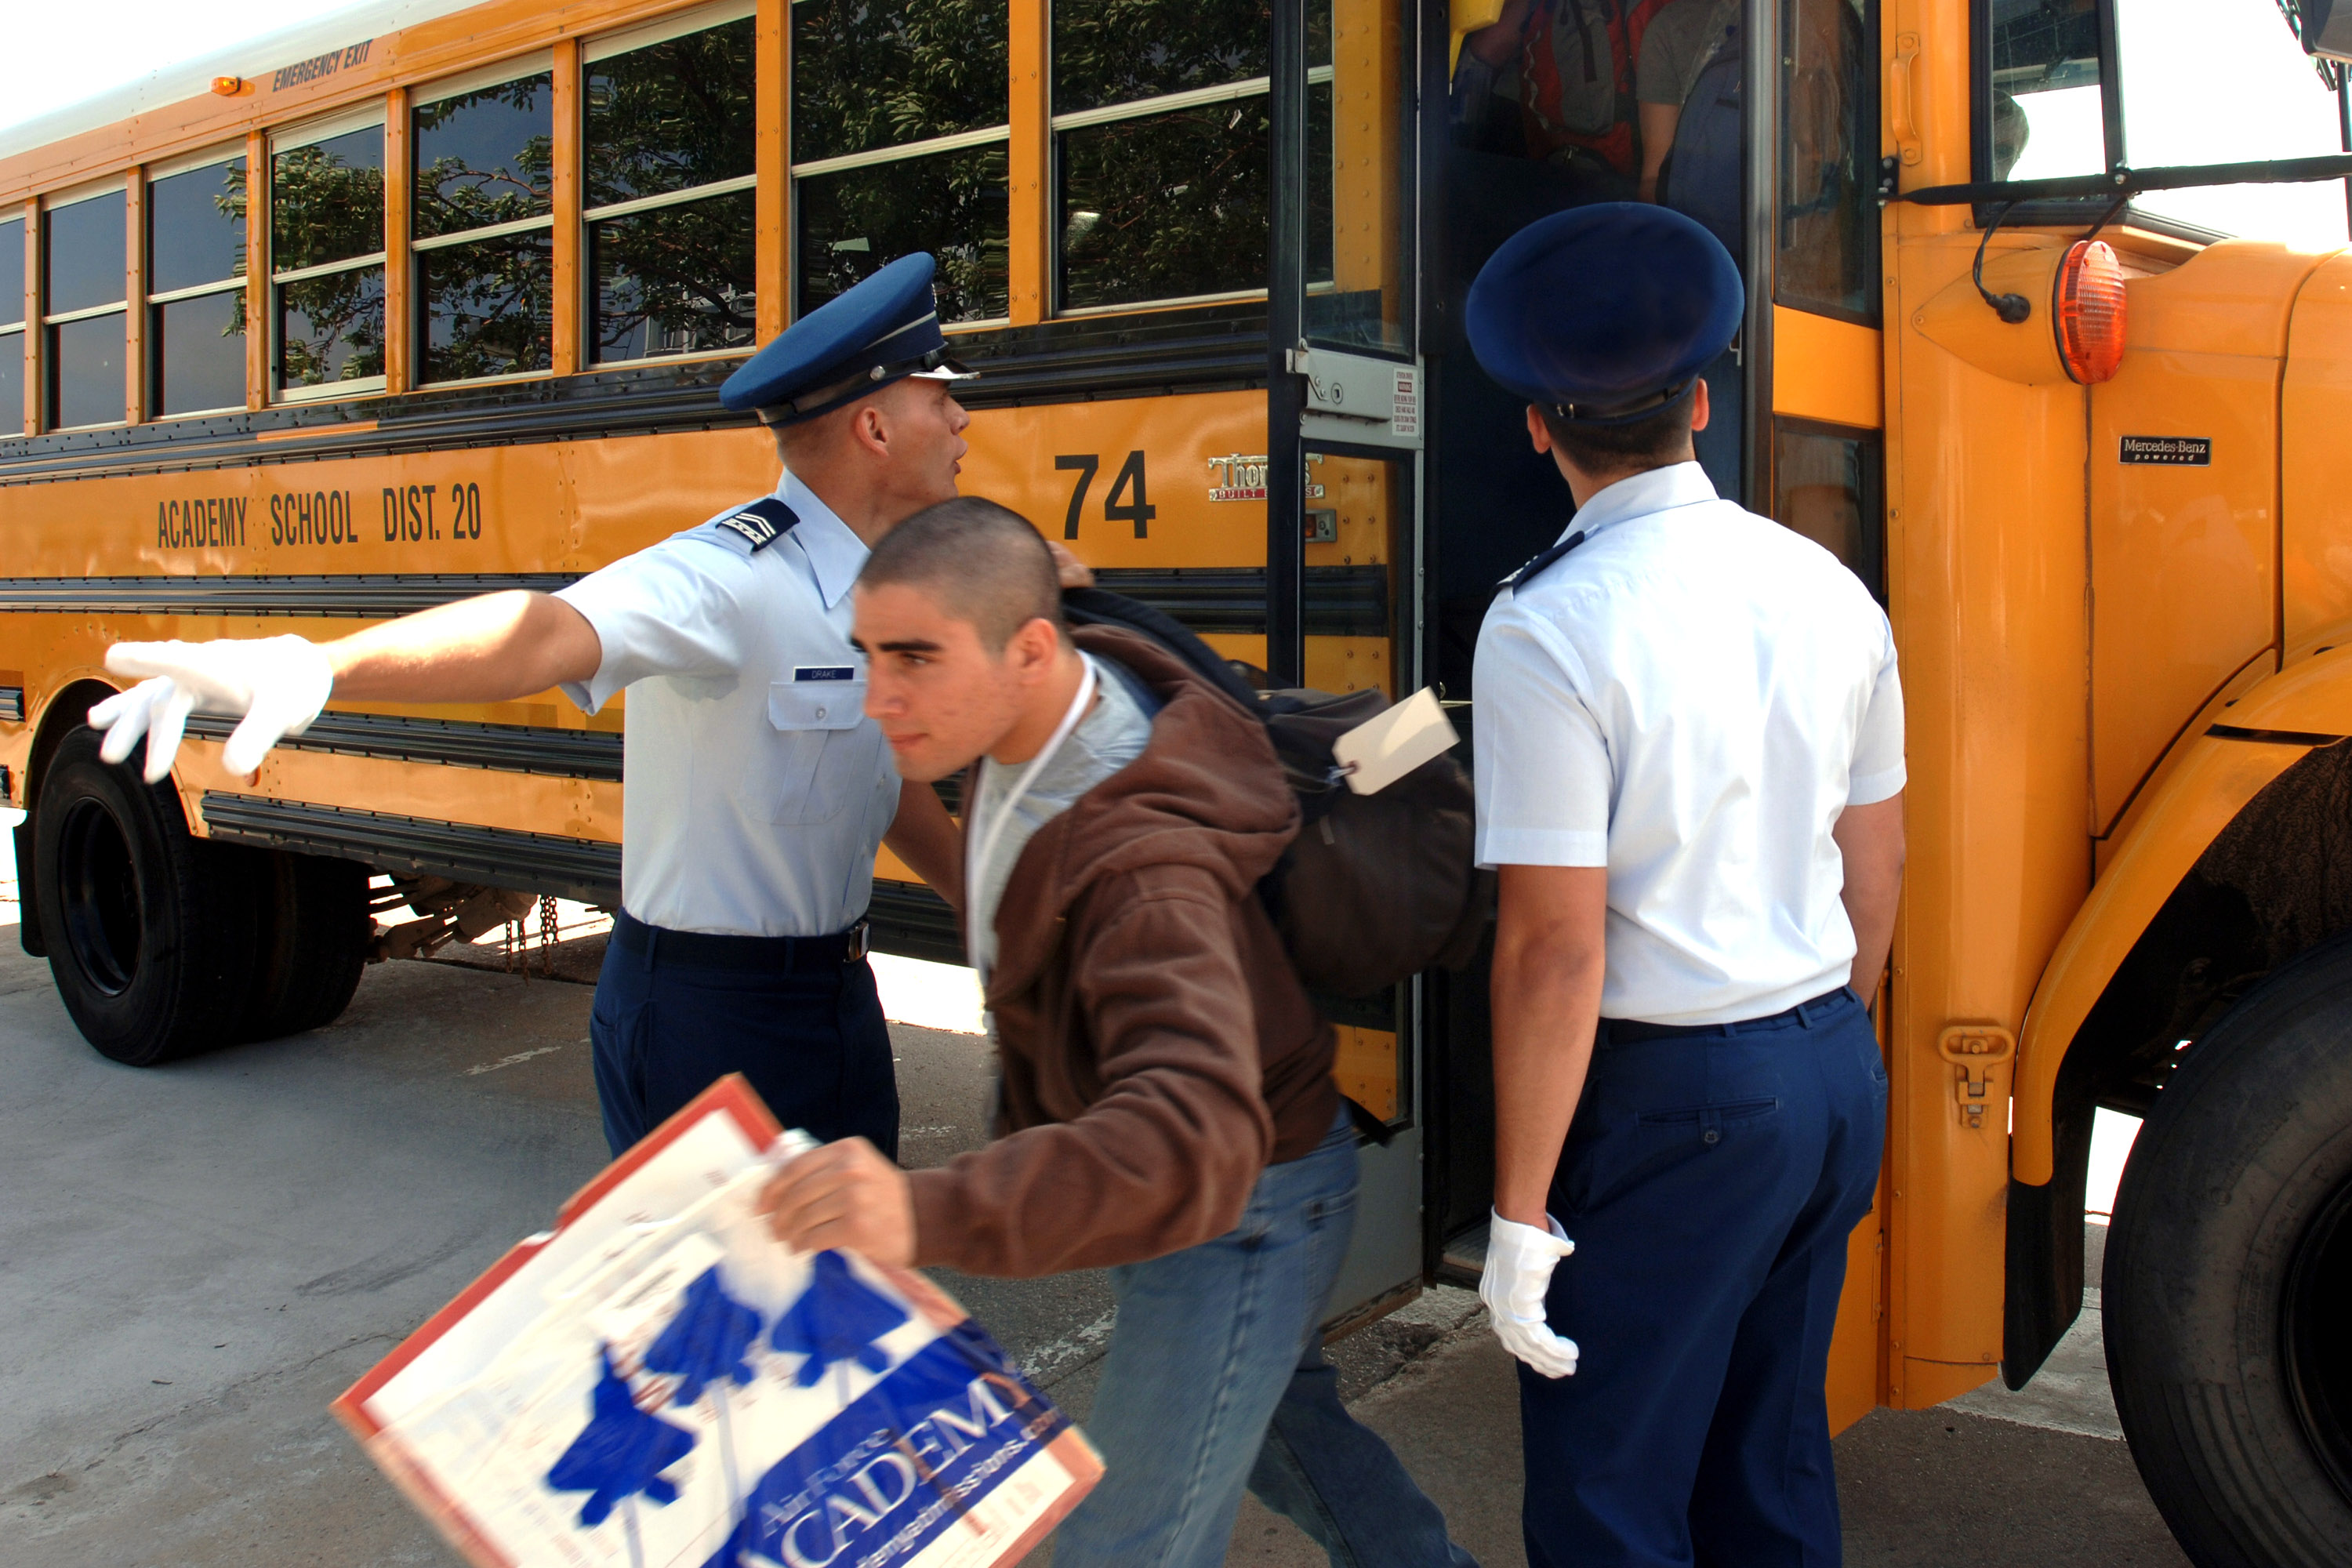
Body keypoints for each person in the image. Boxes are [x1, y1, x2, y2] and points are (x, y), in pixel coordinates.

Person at [82, 253, 1014, 1160]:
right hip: (711, 1015)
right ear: (876, 428)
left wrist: (996, 924)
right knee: (715, 1308)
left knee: (839, 1295)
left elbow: (875, 783)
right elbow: (544, 631)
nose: (962, 417)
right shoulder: (727, 576)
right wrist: (319, 666)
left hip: (837, 996)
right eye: (941, 397)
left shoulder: (877, 589)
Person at [755, 498, 1476, 1568]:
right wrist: (1063, 578)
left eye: (914, 659)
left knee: (1121, 1545)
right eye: (865, 654)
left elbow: (1186, 1130)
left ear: (1030, 648)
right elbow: (1044, 588)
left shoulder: (1142, 869)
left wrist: (918, 1210)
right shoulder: (1074, 658)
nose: (878, 698)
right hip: (1231, 1177)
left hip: (1236, 1208)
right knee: (1294, 1441)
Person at [1464, 203, 1907, 1565]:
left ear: (1539, 426)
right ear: (1703, 402)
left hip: (1676, 1102)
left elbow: (1553, 950)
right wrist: (1826, 1042)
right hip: (1827, 1069)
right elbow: (1873, 856)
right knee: (1769, 1467)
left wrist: (1520, 1210)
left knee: (1613, 1494)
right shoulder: (1827, 586)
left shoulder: (1547, 623)